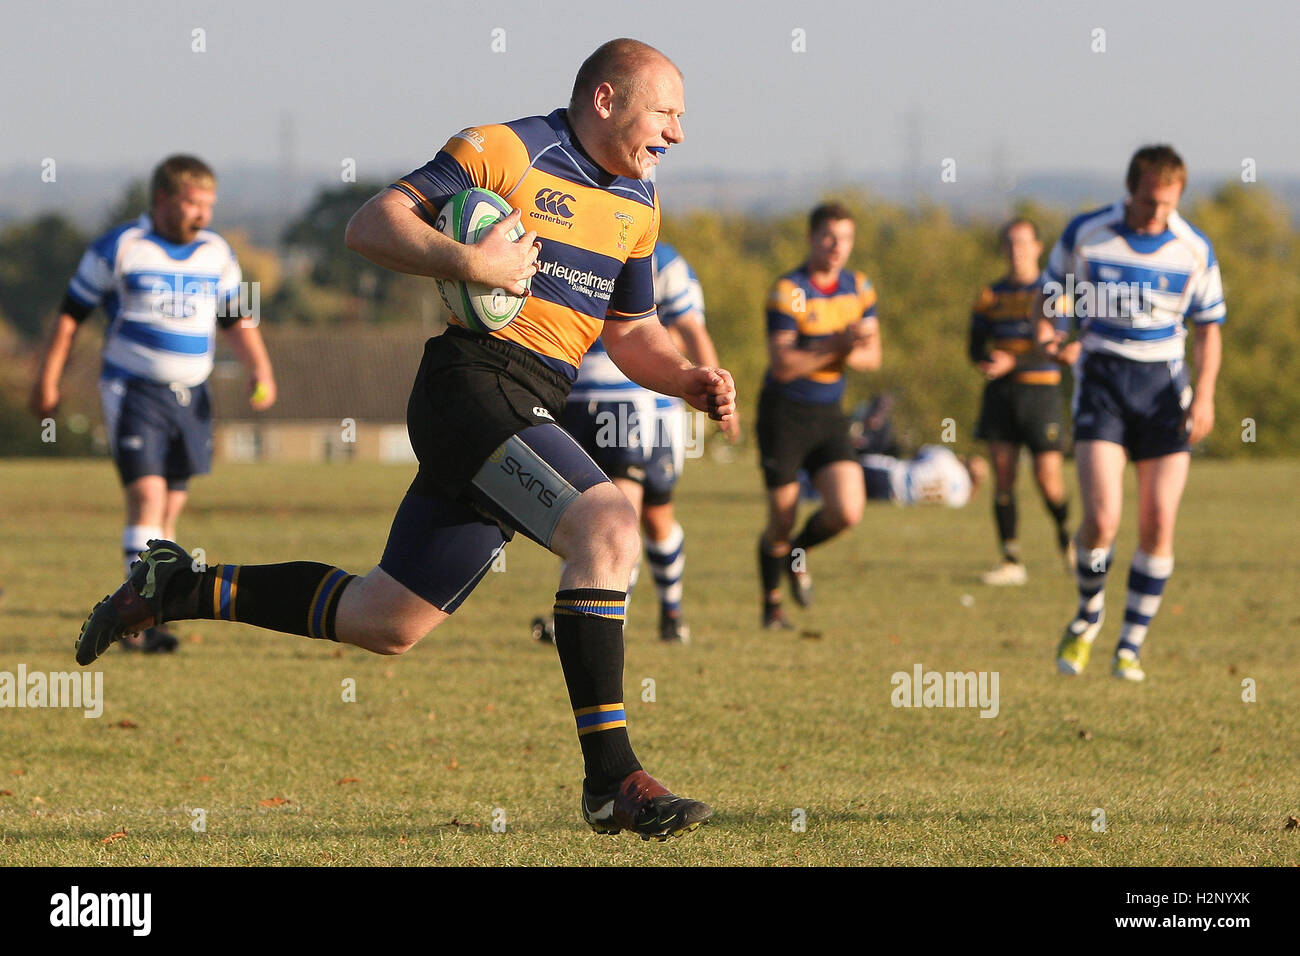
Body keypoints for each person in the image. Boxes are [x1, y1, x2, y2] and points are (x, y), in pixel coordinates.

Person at [74, 39, 735, 840]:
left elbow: (632, 335)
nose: (676, 133)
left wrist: (688, 377)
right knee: (608, 526)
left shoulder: (638, 201)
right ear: (606, 99)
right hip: (471, 386)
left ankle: (178, 588)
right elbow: (371, 222)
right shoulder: (505, 149)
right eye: (667, 113)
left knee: (386, 620)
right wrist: (472, 264)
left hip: (531, 402)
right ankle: (612, 779)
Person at [31, 154, 276, 653]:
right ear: (163, 199)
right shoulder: (121, 247)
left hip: (193, 397)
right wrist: (47, 380)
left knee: (169, 511)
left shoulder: (216, 253)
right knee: (146, 498)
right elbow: (70, 317)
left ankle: (153, 608)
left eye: (209, 205)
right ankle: (134, 625)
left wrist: (260, 369)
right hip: (133, 389)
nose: (202, 215)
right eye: (192, 203)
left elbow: (236, 319)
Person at [1040, 145, 1224, 682]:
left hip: (1164, 391)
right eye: (1148, 201)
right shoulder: (1088, 234)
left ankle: (1131, 646)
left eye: (1167, 204)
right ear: (1131, 190)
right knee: (1102, 519)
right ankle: (1088, 613)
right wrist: (1053, 335)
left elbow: (1210, 328)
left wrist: (1206, 395)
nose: (1156, 213)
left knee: (1158, 521)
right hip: (1102, 383)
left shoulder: (1191, 249)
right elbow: (1051, 296)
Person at [532, 240, 737, 645]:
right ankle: (596, 618)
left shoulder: (664, 262)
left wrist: (715, 388)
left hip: (645, 405)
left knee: (652, 517)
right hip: (576, 397)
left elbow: (691, 329)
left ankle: (666, 611)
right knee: (595, 515)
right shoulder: (571, 241)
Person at [756, 203, 880, 630]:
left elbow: (872, 356)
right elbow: (783, 365)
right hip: (784, 415)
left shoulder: (859, 287)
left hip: (829, 413)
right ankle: (772, 607)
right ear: (811, 238)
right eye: (828, 237)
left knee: (847, 511)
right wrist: (839, 345)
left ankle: (799, 553)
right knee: (781, 517)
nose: (836, 247)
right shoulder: (788, 290)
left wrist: (839, 348)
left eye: (845, 238)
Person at [969, 219, 1072, 586]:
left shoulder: (1052, 292)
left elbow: (1054, 346)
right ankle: (1010, 559)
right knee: (1003, 476)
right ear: (1003, 249)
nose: (1017, 250)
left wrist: (1015, 360)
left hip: (1040, 391)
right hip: (1001, 394)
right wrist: (986, 361)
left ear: (1038, 247)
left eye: (1023, 243)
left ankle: (1066, 539)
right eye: (1010, 243)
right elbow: (974, 344)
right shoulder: (991, 294)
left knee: (1048, 478)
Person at [860, 444, 987, 508]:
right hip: (895, 497)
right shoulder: (962, 498)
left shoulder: (947, 458)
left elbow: (921, 451)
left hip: (888, 474)